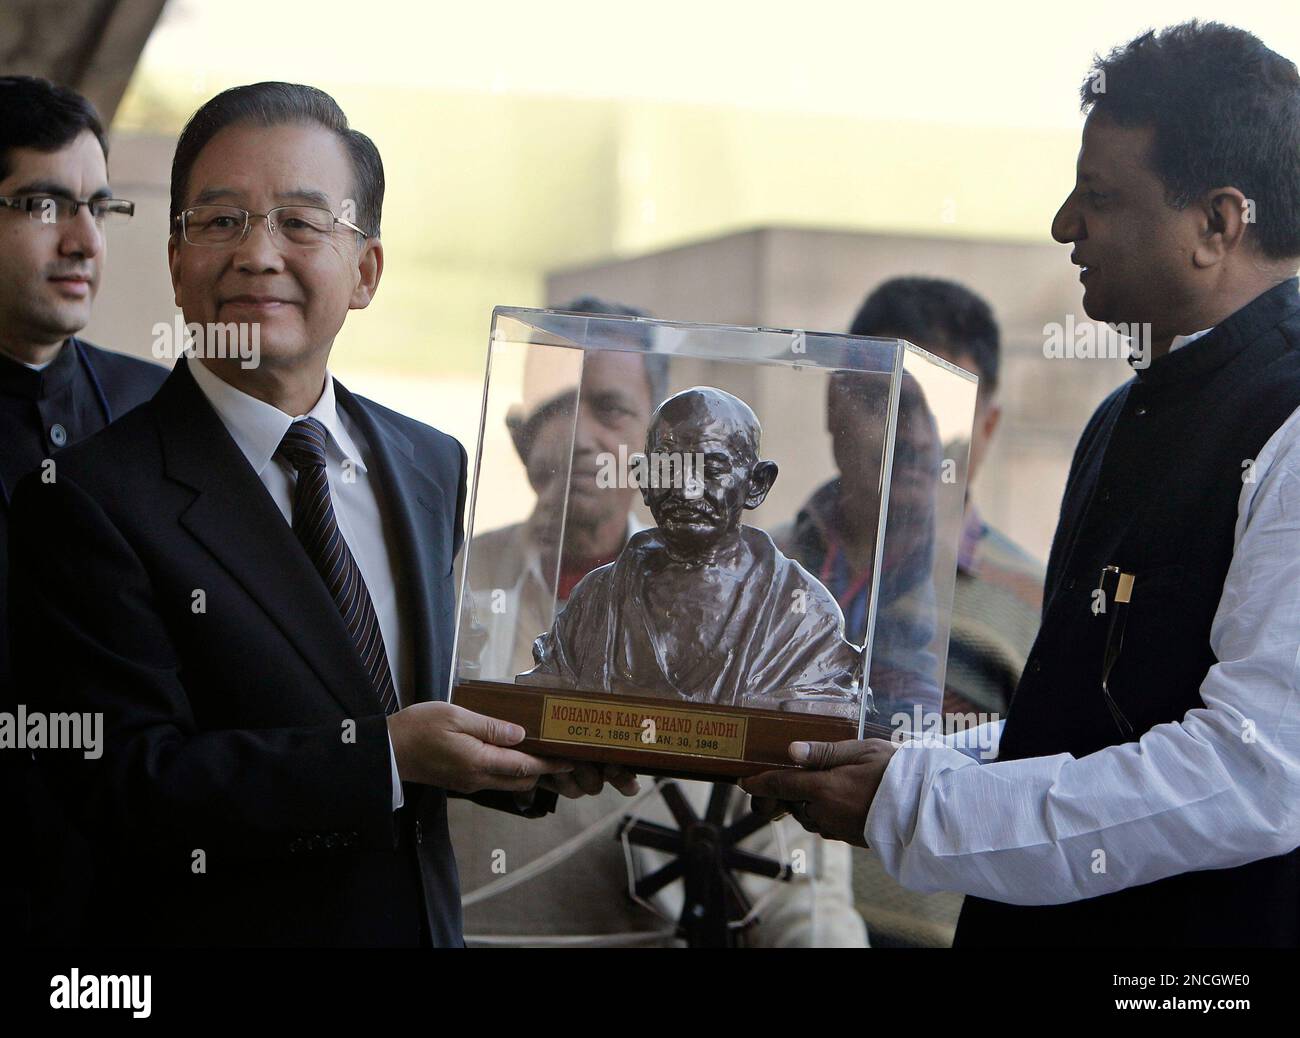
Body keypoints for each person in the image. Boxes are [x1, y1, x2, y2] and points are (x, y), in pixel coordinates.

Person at [7, 82, 628, 947]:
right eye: (220, 221)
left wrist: (534, 756)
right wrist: (383, 756)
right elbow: (123, 784)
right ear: (177, 259)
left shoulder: (430, 462)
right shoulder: (91, 498)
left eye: (302, 223)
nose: (258, 254)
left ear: (366, 270)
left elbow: (421, 703)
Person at [745, 20, 1300, 947]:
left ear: (1218, 224)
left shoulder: (1287, 424)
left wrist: (917, 803)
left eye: (1099, 197)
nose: (1063, 227)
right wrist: (906, 764)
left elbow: (1252, 774)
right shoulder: (1125, 419)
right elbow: (1073, 730)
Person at [0, 75, 169, 945]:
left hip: (135, 899)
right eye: (42, 204)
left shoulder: (162, 413)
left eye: (100, 208)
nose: (82, 241)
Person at [526, 386, 862, 715]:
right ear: (644, 479)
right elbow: (545, 703)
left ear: (757, 484)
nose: (687, 490)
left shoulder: (803, 615)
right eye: (667, 468)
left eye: (712, 470)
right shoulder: (596, 601)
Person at [846, 277, 1045, 718]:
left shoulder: (1037, 609)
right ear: (835, 403)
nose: (916, 437)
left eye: (944, 412)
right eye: (886, 402)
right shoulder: (764, 565)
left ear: (987, 429)